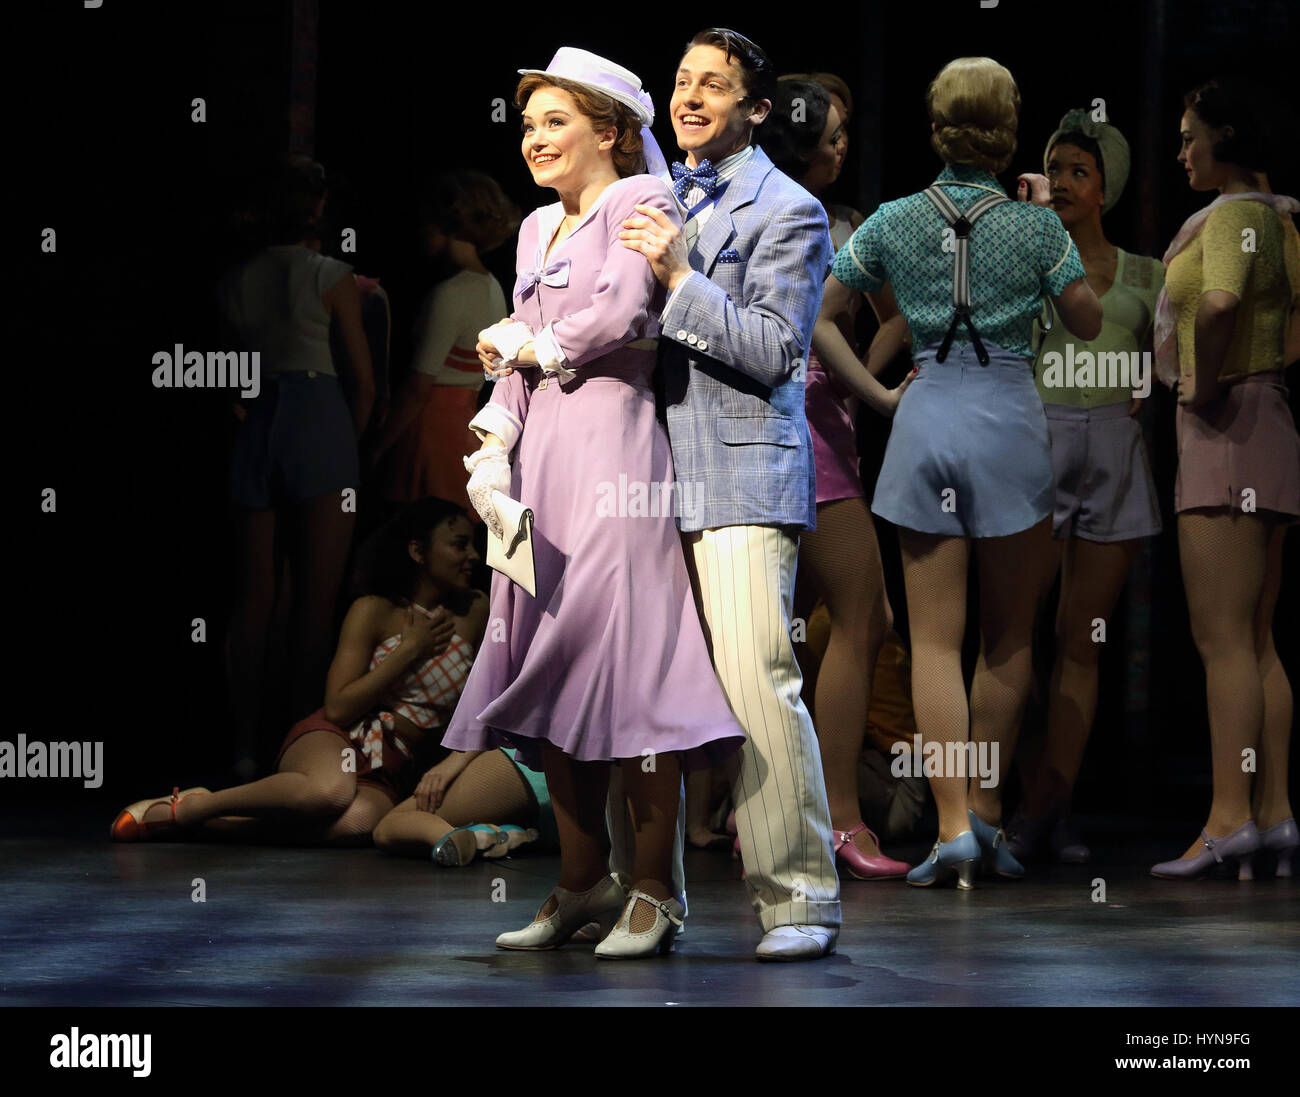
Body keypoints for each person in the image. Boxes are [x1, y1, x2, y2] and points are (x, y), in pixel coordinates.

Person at [445, 47, 745, 960]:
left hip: (617, 461)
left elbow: (623, 317)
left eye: (554, 121)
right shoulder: (536, 228)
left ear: (609, 131)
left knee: (631, 680)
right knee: (548, 674)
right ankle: (582, 884)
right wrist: (494, 438)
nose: (534, 138)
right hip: (544, 469)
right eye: (529, 123)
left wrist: (526, 351)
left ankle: (654, 889)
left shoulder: (639, 204)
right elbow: (513, 347)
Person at [827, 56, 1102, 888]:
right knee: (1011, 637)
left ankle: (949, 826)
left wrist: (877, 394)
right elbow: (1087, 323)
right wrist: (1051, 221)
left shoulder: (895, 218)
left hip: (928, 416)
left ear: (938, 125)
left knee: (934, 642)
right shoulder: (1037, 226)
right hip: (1009, 421)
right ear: (1007, 128)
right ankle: (983, 807)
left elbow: (822, 320)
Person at [615, 27, 842, 959]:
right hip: (640, 477)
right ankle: (645, 894)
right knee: (642, 695)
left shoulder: (787, 209)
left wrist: (678, 276)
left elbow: (775, 351)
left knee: (757, 684)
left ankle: (798, 898)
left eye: (716, 84)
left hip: (740, 468)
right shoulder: (653, 193)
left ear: (756, 109)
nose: (691, 95)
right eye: (682, 80)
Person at [111, 499, 536, 858]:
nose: (473, 557)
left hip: (395, 762)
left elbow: (493, 696)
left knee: (360, 825)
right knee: (328, 793)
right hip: (339, 736)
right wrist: (409, 649)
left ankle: (215, 827)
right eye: (459, 545)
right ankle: (190, 808)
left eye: (474, 546)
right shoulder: (373, 609)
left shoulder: (477, 610)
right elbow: (339, 706)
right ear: (417, 551)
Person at [757, 78, 910, 880]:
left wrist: (850, 378)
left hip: (815, 424)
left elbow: (894, 316)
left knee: (831, 623)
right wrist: (859, 385)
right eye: (834, 134)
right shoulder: (796, 212)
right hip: (797, 432)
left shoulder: (840, 222)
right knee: (857, 617)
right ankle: (838, 819)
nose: (844, 147)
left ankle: (790, 816)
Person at [1005, 110, 1164, 866]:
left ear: (1106, 188)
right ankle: (1012, 800)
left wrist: (1147, 381)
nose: (1064, 181)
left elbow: (1161, 359)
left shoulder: (1146, 274)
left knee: (1082, 640)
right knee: (1017, 636)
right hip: (1037, 441)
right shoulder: (1036, 262)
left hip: (1113, 455)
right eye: (1055, 167)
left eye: (1079, 171)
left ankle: (1053, 807)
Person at [1149, 78, 1299, 880]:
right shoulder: (1284, 219)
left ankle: (1228, 817)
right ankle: (1273, 814)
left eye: (1189, 137)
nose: (1180, 153)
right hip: (1268, 423)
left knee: (1221, 642)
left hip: (1228, 430)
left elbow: (1215, 304)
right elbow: (1293, 334)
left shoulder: (1240, 215)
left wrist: (1202, 387)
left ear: (1225, 137)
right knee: (1258, 638)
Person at [217, 155, 377, 778]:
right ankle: (300, 742)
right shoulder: (328, 273)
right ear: (316, 210)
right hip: (318, 420)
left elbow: (226, 383)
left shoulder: (232, 280)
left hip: (258, 421)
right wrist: (350, 448)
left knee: (254, 597)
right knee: (316, 596)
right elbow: (363, 382)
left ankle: (242, 744)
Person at [371, 172, 519, 516]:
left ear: (451, 225)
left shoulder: (450, 293)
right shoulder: (492, 286)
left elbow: (416, 389)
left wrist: (376, 449)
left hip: (428, 434)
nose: (421, 230)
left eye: (429, 222)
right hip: (466, 428)